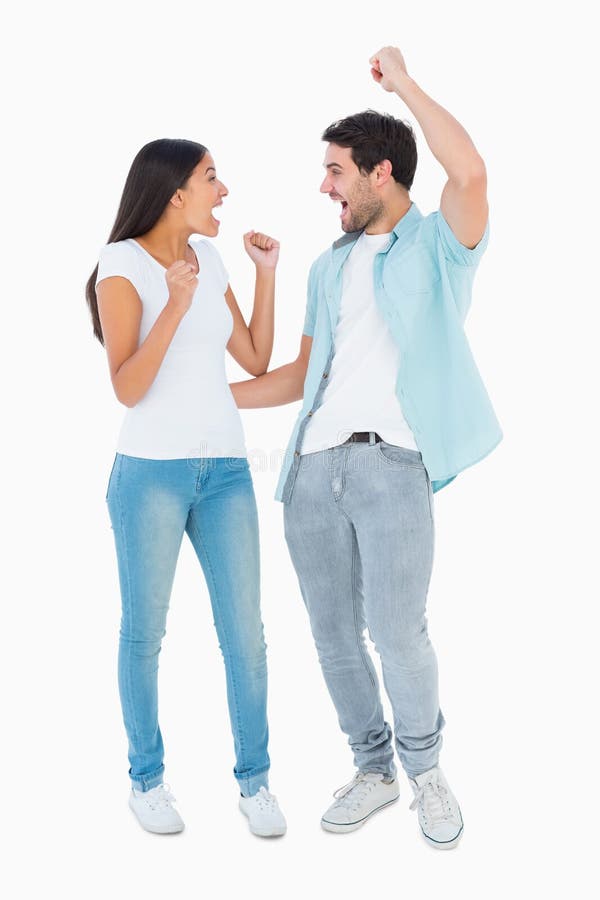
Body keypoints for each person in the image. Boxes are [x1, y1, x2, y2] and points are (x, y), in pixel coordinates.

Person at [230, 46, 502, 849]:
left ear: (381, 173)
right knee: (331, 633)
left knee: (398, 629)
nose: (325, 186)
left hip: (394, 468)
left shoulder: (438, 248)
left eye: (336, 171)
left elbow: (473, 171)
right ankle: (374, 768)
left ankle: (427, 774)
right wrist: (211, 394)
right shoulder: (327, 265)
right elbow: (303, 374)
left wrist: (405, 85)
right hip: (312, 472)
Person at [85, 138, 286, 838]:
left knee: (247, 638)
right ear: (174, 193)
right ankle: (147, 780)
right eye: (211, 179)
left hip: (226, 470)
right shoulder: (122, 265)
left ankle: (255, 782)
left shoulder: (215, 257)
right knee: (145, 633)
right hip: (151, 475)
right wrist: (172, 304)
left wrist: (265, 275)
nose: (223, 191)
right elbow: (128, 388)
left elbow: (256, 356)